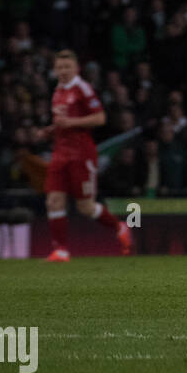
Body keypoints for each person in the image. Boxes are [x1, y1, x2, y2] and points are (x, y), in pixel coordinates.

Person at [36, 50, 132, 260]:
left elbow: (100, 118)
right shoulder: (58, 91)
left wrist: (71, 123)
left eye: (67, 67)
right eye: (59, 67)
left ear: (76, 68)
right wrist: (49, 131)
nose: (62, 71)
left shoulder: (83, 88)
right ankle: (61, 250)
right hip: (60, 154)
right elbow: (62, 122)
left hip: (81, 154)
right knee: (53, 200)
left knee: (85, 207)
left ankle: (119, 227)